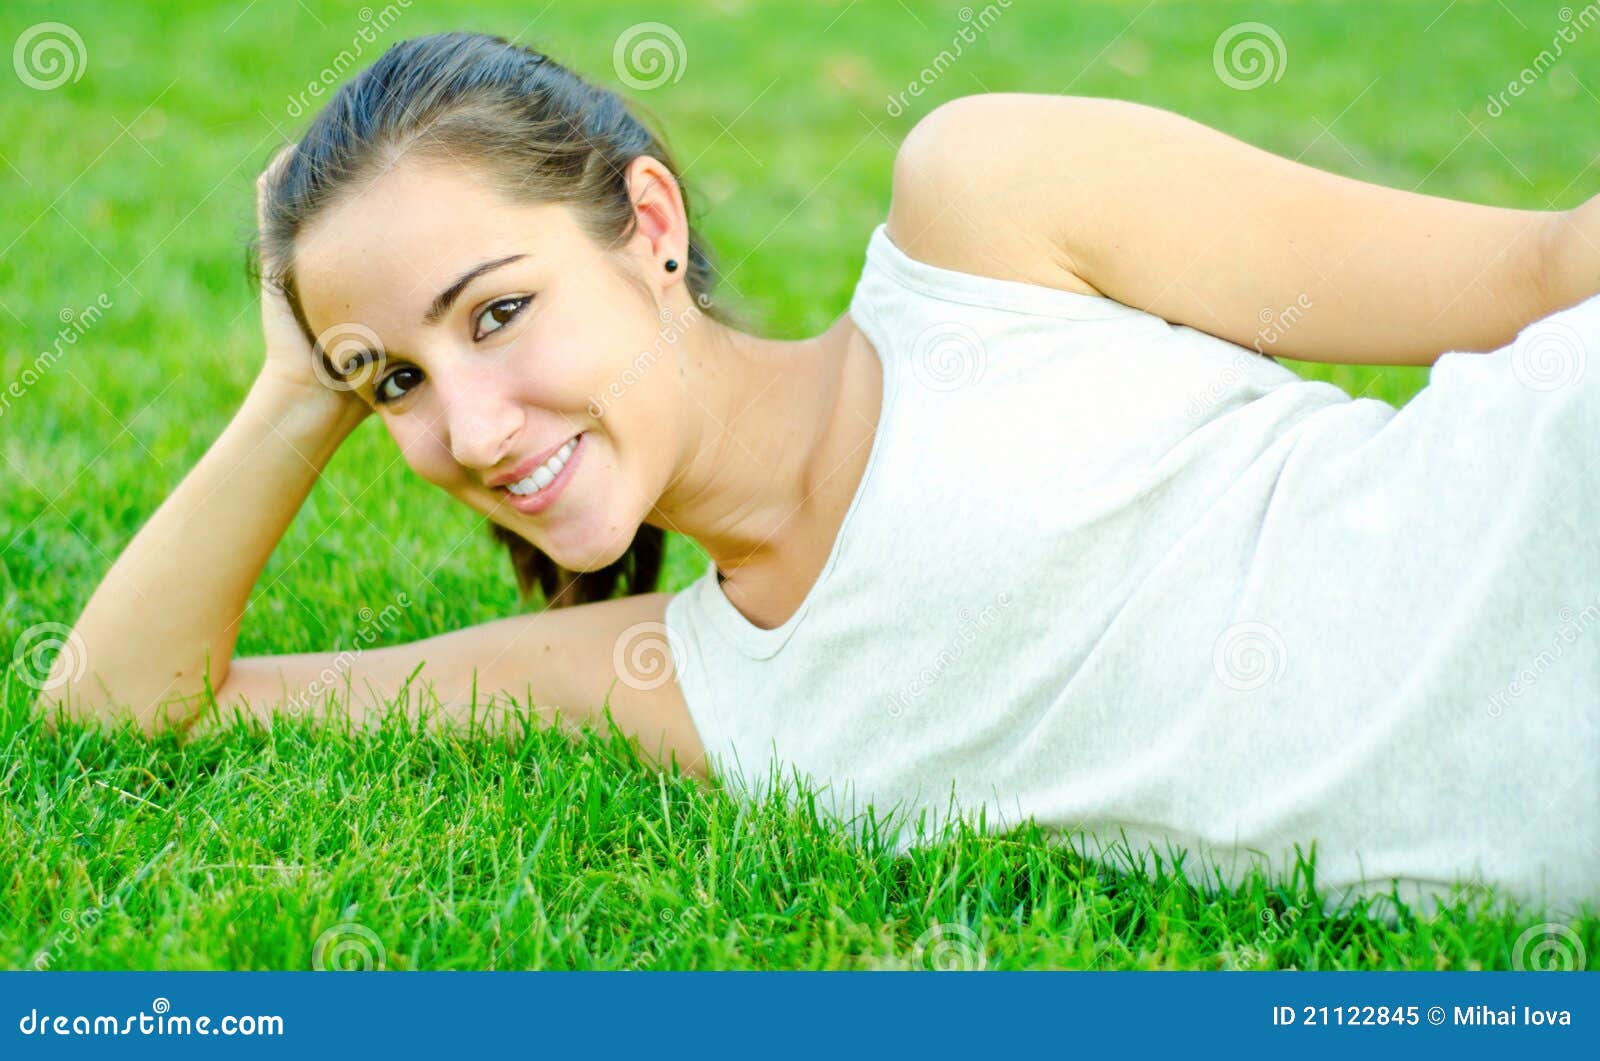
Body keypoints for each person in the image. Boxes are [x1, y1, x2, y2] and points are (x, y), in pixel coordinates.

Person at [39, 30, 1598, 920]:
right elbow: (122, 708)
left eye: (497, 311)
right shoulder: (677, 678)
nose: (475, 425)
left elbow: (1540, 271)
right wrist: (296, 384)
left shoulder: (987, 220)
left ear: (650, 226)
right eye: (398, 380)